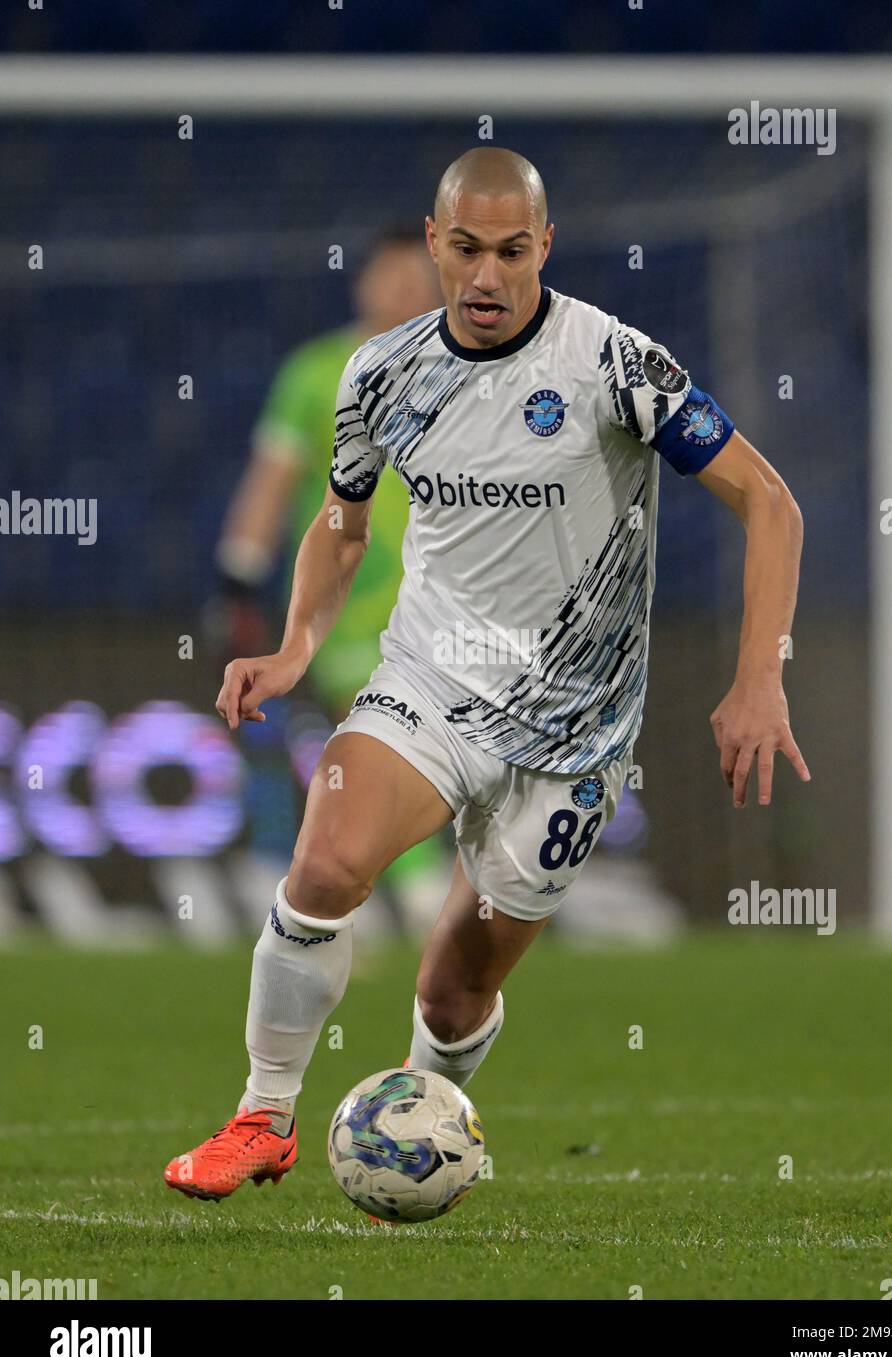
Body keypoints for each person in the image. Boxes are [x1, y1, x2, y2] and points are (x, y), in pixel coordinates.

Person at [165, 147, 809, 1203]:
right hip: (427, 679)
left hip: (576, 731)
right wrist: (293, 646)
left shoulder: (614, 362)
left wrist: (758, 680)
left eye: (513, 251)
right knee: (323, 867)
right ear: (433, 243)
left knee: (454, 992)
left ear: (544, 246)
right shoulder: (384, 372)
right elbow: (340, 520)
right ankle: (263, 1115)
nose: (488, 276)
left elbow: (770, 502)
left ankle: (417, 1125)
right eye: (466, 249)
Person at [209, 230, 444, 919]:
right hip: (352, 597)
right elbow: (271, 484)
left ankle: (359, 887)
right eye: (392, 275)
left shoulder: (467, 370)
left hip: (454, 598)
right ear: (361, 284)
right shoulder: (315, 374)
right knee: (377, 732)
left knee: (441, 748)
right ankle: (404, 892)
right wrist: (239, 578)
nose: (406, 290)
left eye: (418, 277)